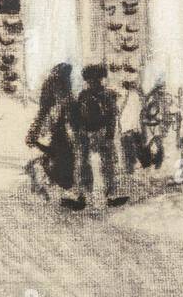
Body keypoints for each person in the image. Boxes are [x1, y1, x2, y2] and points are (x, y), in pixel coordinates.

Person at [75, 64, 127, 208]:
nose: (93, 82)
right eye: (91, 80)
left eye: (96, 79)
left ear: (100, 79)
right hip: (86, 133)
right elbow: (78, 116)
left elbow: (112, 116)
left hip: (102, 133)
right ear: (87, 80)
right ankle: (84, 195)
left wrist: (109, 134)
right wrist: (80, 132)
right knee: (83, 164)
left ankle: (110, 195)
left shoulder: (107, 95)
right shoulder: (83, 95)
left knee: (108, 164)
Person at [26, 63, 78, 202]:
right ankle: (59, 187)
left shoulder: (53, 85)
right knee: (62, 157)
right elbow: (54, 110)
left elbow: (45, 111)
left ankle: (52, 182)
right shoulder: (59, 87)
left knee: (60, 157)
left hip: (56, 131)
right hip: (56, 131)